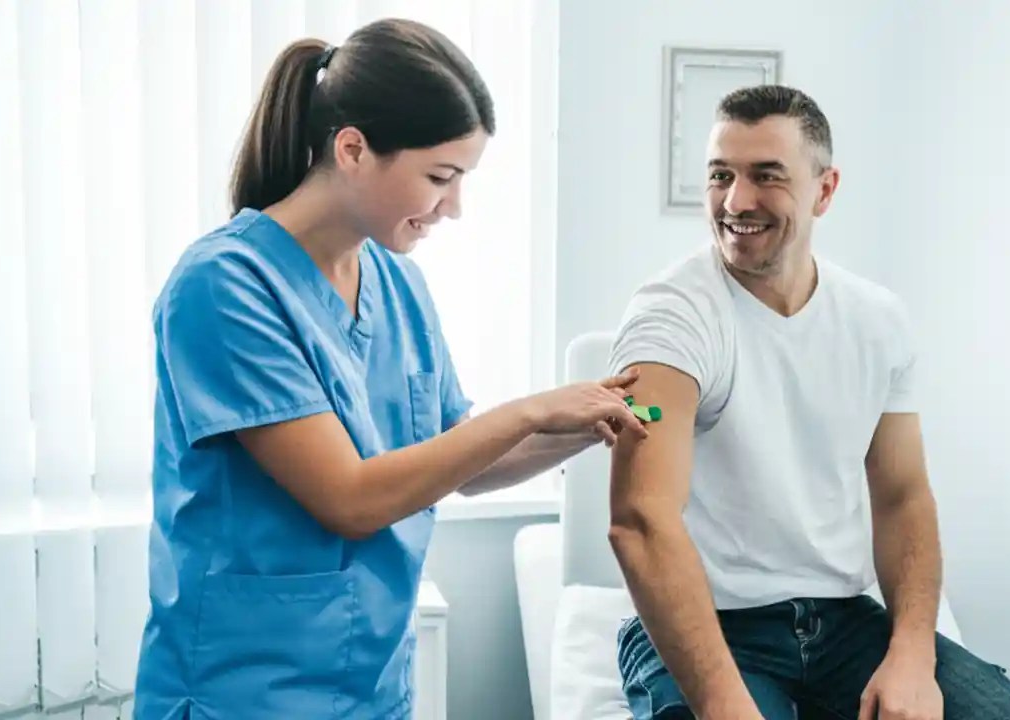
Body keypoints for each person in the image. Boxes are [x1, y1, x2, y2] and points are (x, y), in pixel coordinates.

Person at [133, 18, 647, 720]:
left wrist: (598, 417)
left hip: (370, 687)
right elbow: (352, 499)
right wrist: (532, 408)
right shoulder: (223, 286)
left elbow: (459, 458)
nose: (454, 207)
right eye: (440, 177)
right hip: (244, 690)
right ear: (352, 149)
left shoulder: (395, 283)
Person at [605, 85, 1010, 720]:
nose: (736, 201)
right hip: (712, 624)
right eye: (720, 175)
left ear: (824, 188)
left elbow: (903, 497)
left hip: (844, 624)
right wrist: (724, 705)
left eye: (766, 176)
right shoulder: (671, 316)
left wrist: (911, 655)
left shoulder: (876, 320)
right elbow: (641, 519)